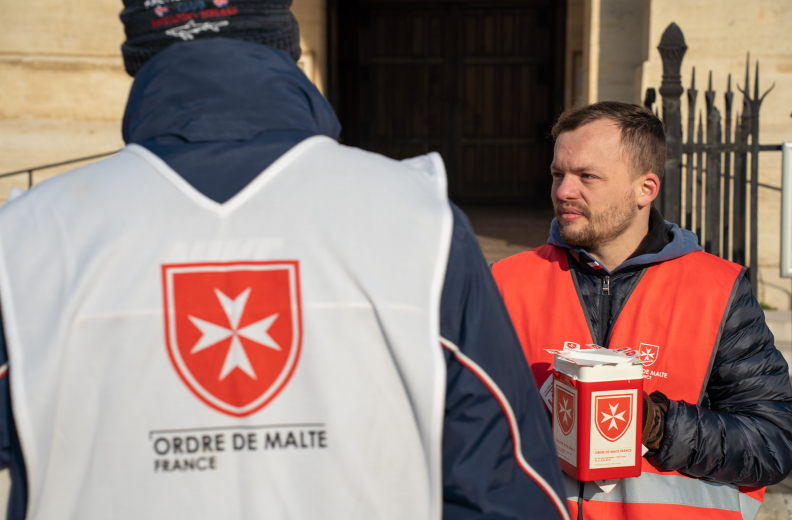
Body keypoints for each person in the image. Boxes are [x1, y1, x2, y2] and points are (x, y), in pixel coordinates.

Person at [0, 1, 569, 519]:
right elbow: (511, 487)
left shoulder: (29, 238)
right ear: (286, 44)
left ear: (138, 51)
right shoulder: (419, 220)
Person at [491, 101, 792, 520]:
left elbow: (773, 443)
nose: (563, 191)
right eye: (558, 174)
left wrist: (658, 426)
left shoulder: (718, 289)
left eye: (587, 176)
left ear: (645, 189)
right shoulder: (505, 281)